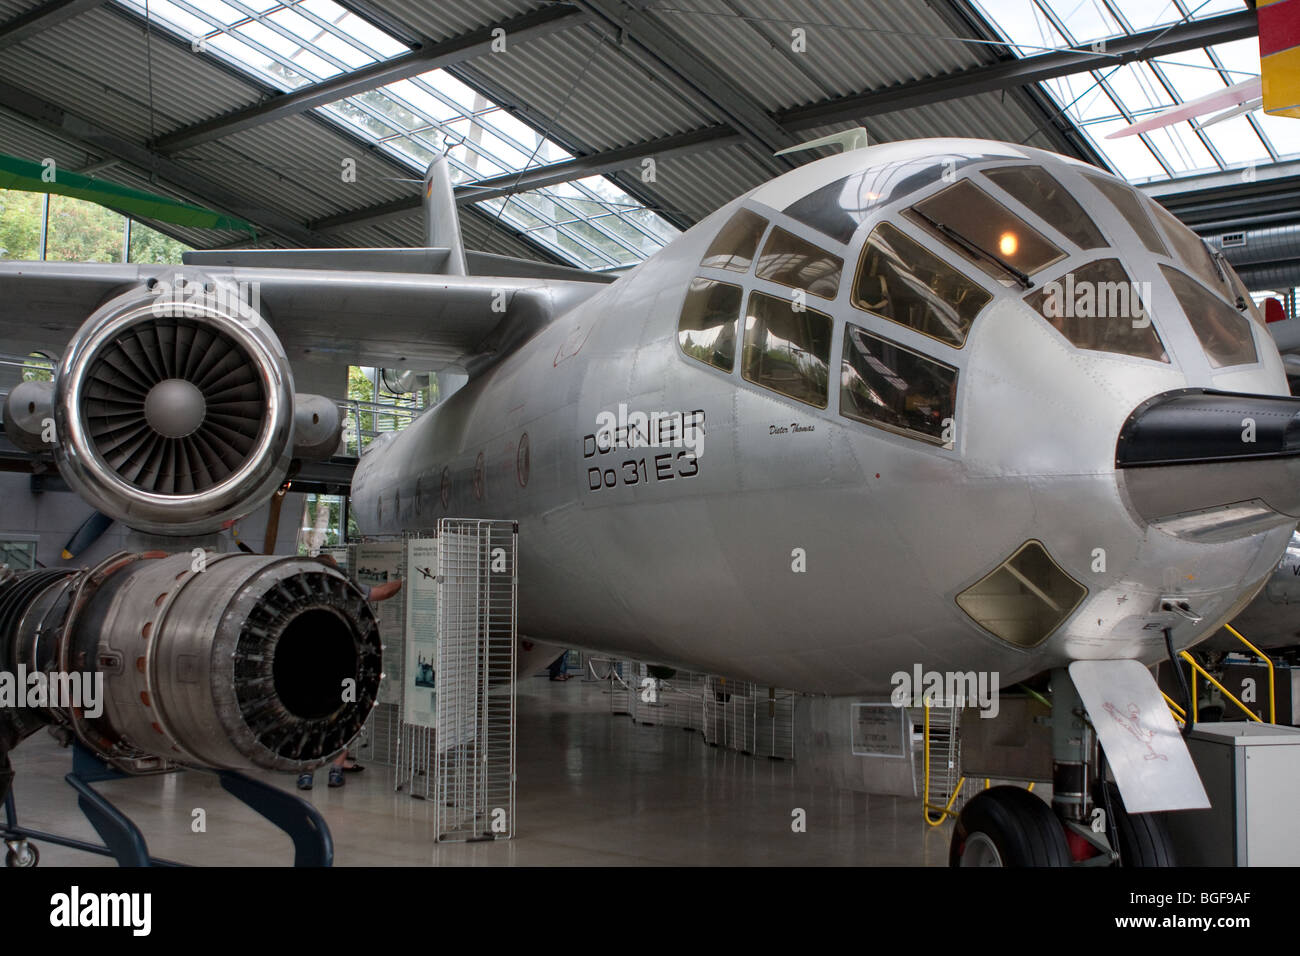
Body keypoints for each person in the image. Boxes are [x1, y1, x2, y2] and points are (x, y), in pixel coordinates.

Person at [297, 556, 402, 790]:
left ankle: (306, 773)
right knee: (346, 716)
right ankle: (336, 771)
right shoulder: (345, 587)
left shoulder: (303, 590)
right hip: (346, 668)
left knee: (309, 719)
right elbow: (382, 593)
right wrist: (405, 580)